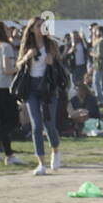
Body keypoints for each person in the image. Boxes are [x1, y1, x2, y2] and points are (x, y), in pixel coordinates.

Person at [15, 16, 64, 176]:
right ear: (31, 29)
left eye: (43, 25)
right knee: (36, 126)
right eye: (38, 25)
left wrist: (52, 62)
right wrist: (27, 57)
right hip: (31, 87)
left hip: (48, 87)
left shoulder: (51, 45)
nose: (41, 28)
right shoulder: (27, 45)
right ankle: (40, 164)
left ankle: (55, 151)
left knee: (49, 125)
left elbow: (60, 67)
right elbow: (18, 64)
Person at [0, 21, 21, 166]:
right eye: (7, 29)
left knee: (2, 120)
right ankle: (8, 154)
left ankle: (9, 154)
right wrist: (20, 66)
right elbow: (7, 70)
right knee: (12, 120)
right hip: (4, 87)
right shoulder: (6, 47)